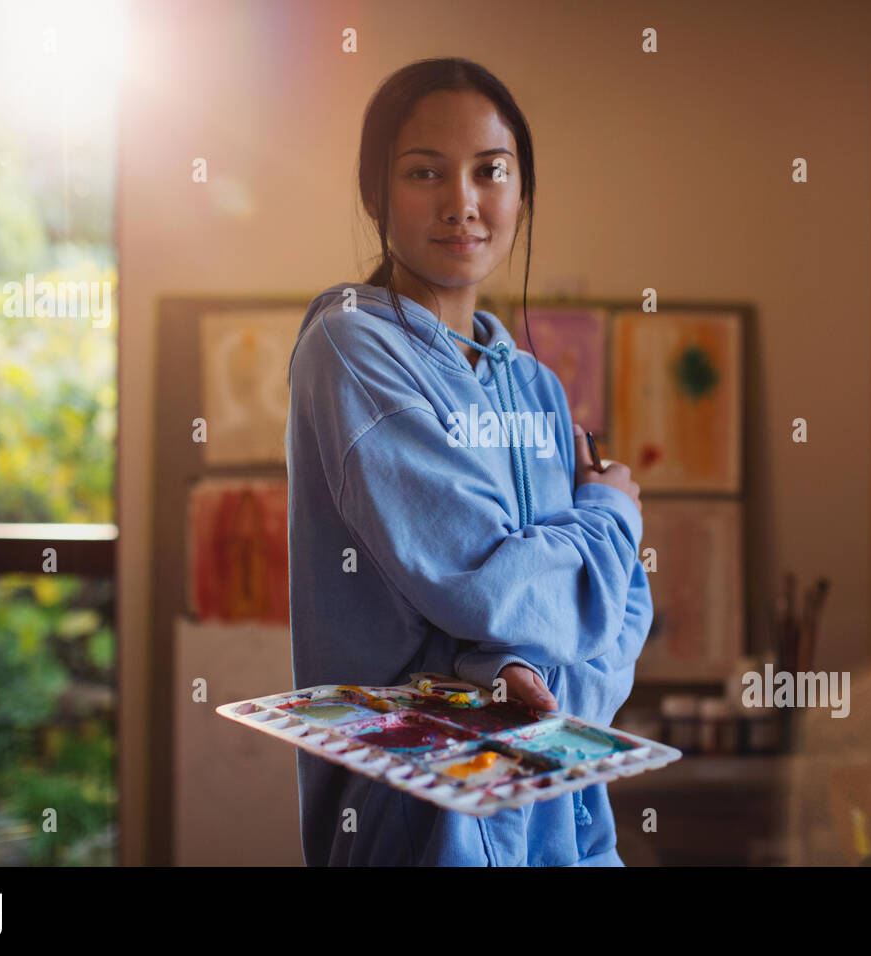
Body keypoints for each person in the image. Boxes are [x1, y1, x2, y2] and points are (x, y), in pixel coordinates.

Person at [286, 57, 652, 865]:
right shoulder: (352, 348)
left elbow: (616, 621)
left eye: (491, 171)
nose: (463, 203)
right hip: (422, 831)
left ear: (522, 192)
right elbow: (487, 585)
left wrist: (526, 670)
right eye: (425, 173)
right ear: (375, 193)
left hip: (566, 828)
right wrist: (613, 513)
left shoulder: (536, 388)